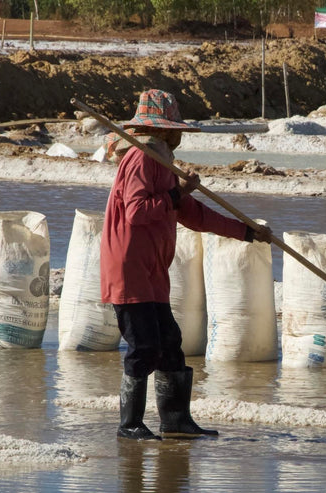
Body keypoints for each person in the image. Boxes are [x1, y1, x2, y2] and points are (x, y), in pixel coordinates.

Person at [101, 89, 272, 440]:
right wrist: (179, 193)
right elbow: (136, 212)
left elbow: (193, 215)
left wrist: (247, 232)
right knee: (144, 345)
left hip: (152, 270)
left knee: (170, 343)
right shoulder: (141, 157)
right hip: (130, 268)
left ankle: (176, 421)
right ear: (165, 130)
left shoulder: (160, 159)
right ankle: (129, 425)